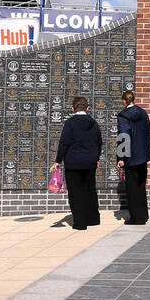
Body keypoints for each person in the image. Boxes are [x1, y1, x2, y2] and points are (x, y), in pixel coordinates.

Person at [51, 96, 102, 230]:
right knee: (90, 190)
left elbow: (64, 143)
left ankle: (80, 223)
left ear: (73, 109)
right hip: (90, 161)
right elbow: (99, 142)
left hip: (74, 163)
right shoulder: (94, 123)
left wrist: (58, 160)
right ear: (87, 108)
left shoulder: (70, 123)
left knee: (76, 192)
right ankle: (93, 219)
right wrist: (97, 158)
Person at [115, 90, 150, 225]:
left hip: (131, 158)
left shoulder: (123, 115)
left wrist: (121, 158)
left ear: (124, 101)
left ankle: (136, 218)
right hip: (142, 156)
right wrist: (145, 150)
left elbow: (123, 136)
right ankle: (143, 216)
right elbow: (149, 133)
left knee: (132, 189)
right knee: (141, 186)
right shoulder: (143, 113)